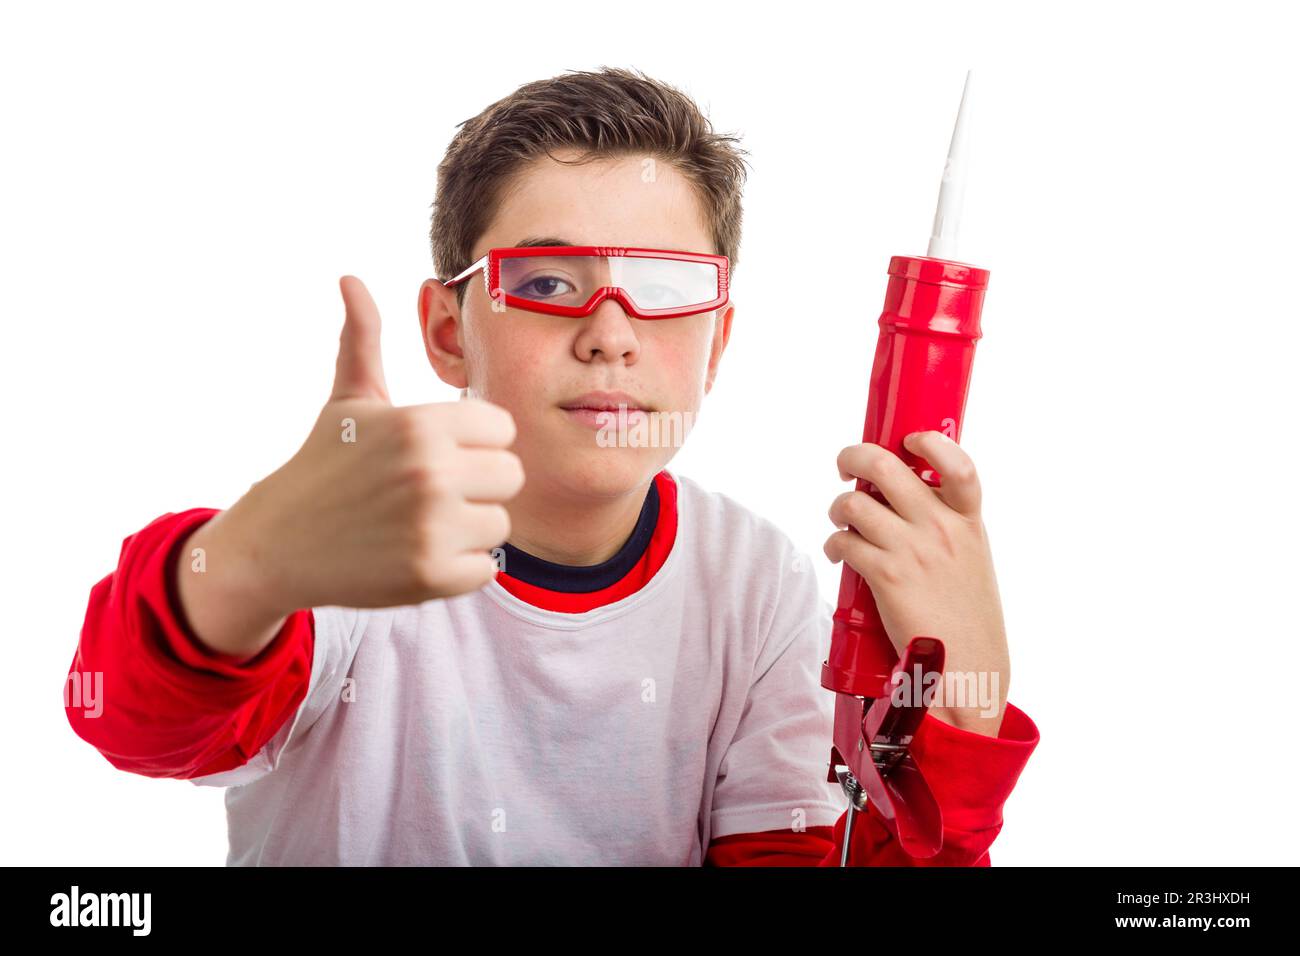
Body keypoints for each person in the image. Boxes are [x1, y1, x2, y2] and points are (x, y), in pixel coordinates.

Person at [65, 66, 1038, 865]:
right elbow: (131, 718)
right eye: (544, 282)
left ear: (718, 339)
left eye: (662, 288)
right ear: (449, 331)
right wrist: (250, 561)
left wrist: (960, 712)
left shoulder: (756, 587)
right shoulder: (349, 539)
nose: (611, 333)